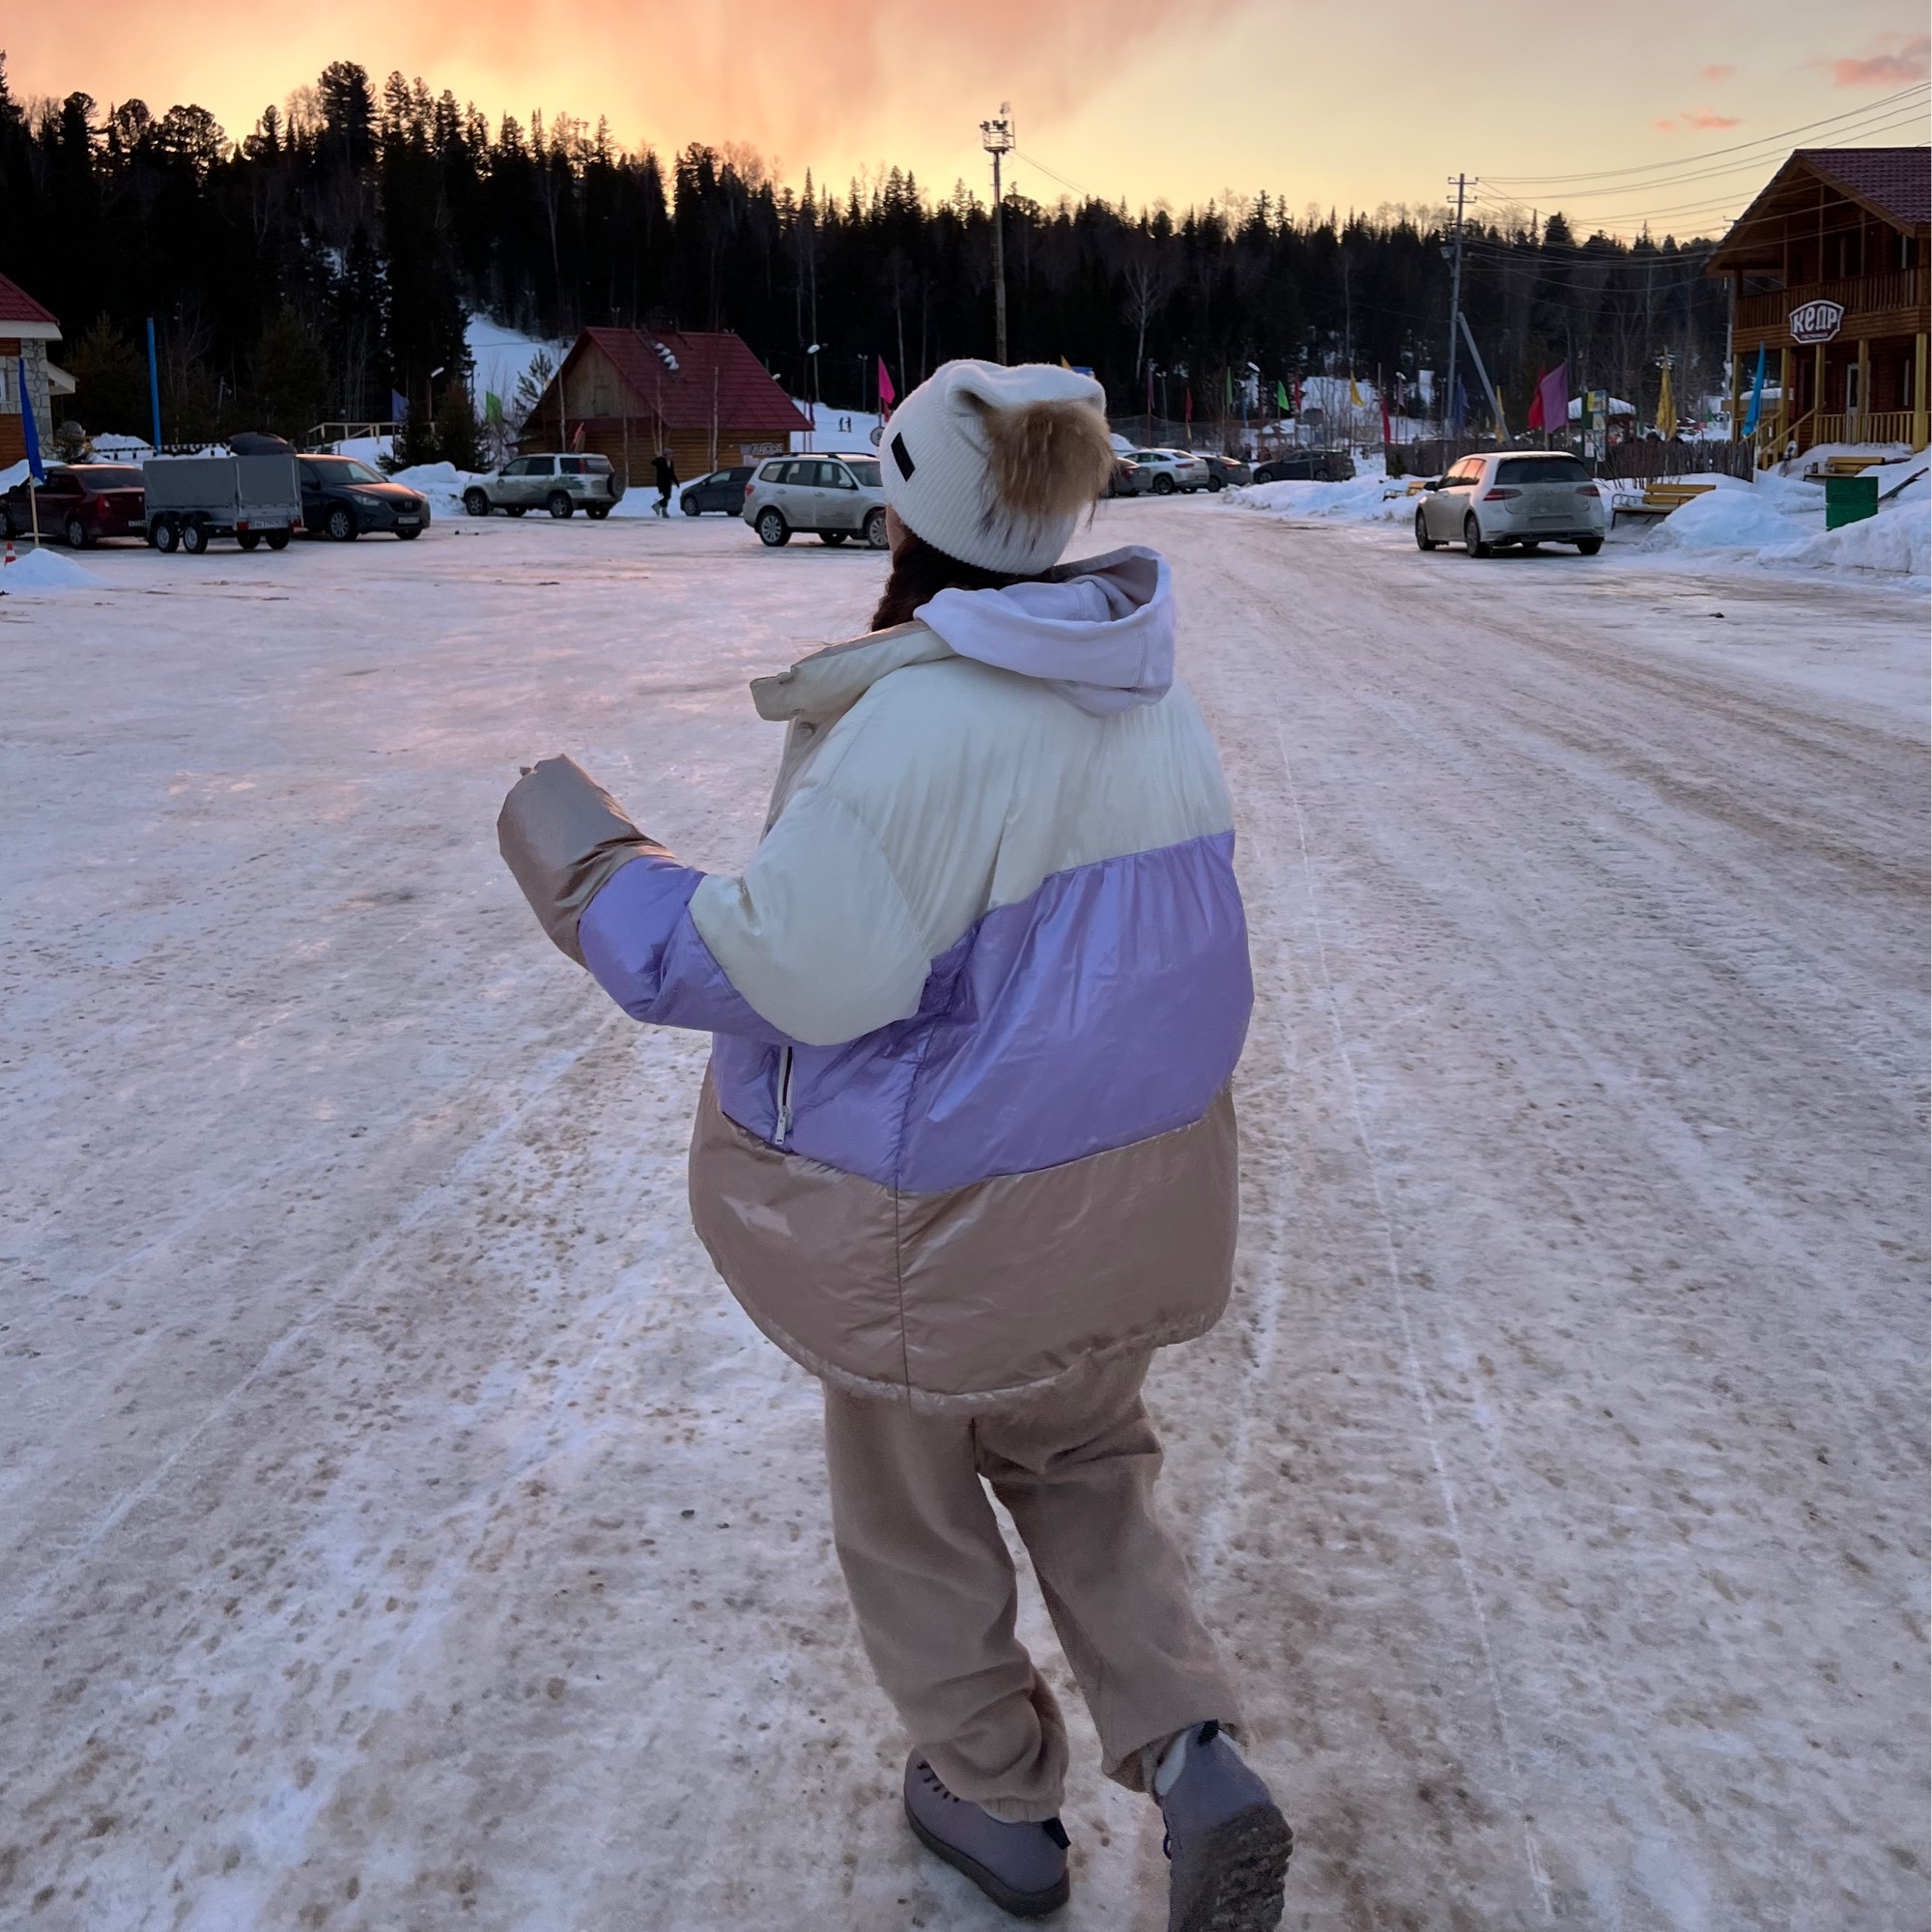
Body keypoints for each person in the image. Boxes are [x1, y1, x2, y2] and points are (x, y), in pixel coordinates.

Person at [498, 359, 1291, 1930]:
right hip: (1120, 1197)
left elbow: (800, 968)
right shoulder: (1145, 697)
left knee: (914, 1515)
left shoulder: (921, 722)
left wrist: (585, 866)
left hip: (934, 1233)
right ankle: (1192, 1746)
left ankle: (994, 1803)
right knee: (1085, 1467)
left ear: (909, 510)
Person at [652, 447, 677, 517]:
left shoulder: (671, 463)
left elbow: (672, 473)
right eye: (669, 454)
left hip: (668, 483)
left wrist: (676, 482)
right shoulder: (660, 461)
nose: (671, 456)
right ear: (666, 455)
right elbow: (653, 463)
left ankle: (658, 507)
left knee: (668, 497)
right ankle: (663, 511)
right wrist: (659, 458)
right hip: (661, 483)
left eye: (671, 454)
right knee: (665, 497)